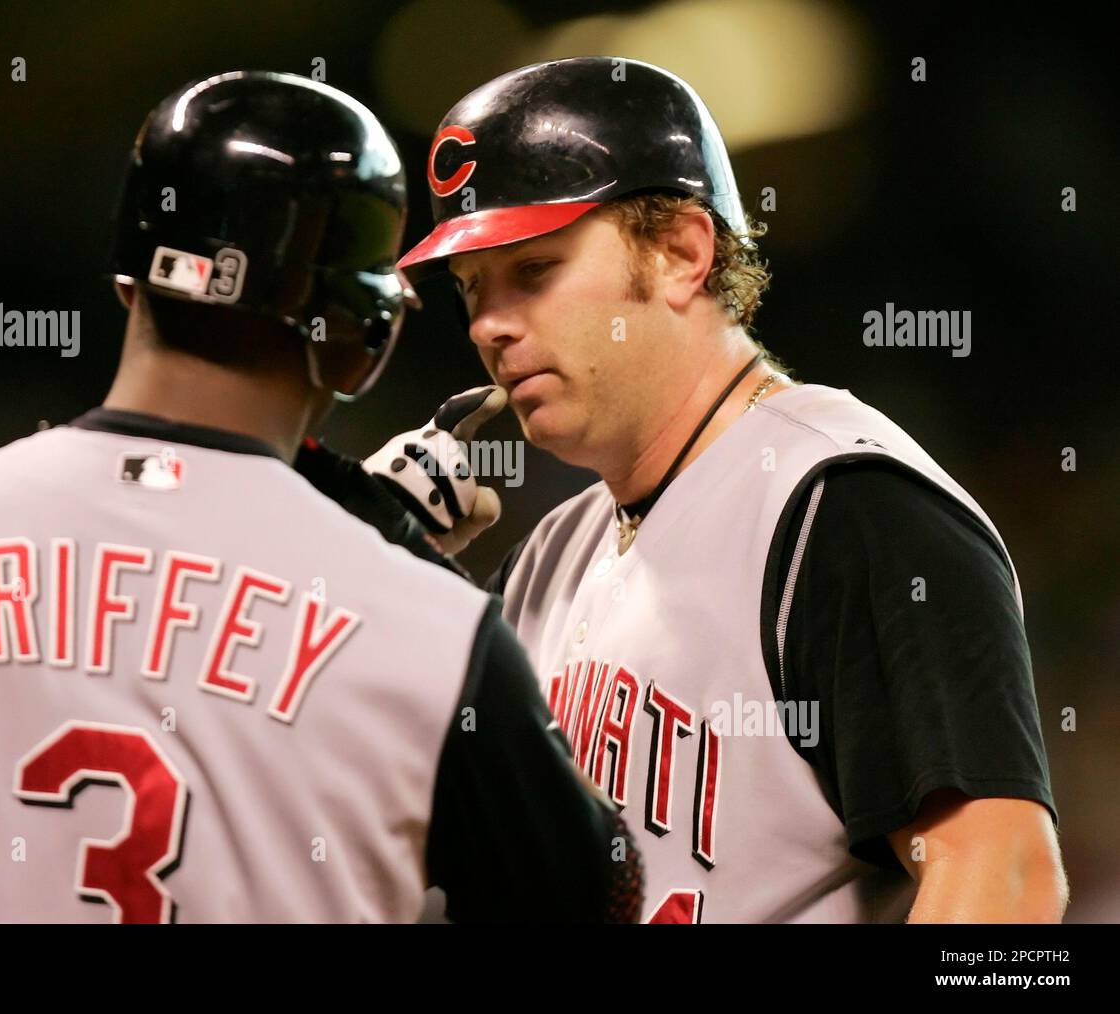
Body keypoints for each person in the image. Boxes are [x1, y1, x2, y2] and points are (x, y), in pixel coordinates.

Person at [0, 70, 642, 924]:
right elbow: (602, 894)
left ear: (128, 281)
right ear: (366, 337)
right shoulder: (431, 635)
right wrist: (380, 545)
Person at [366, 56, 1066, 922]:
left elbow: (1004, 878)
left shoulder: (845, 502)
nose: (488, 325)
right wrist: (381, 586)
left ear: (680, 252)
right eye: (473, 289)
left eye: (534, 270)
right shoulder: (548, 559)